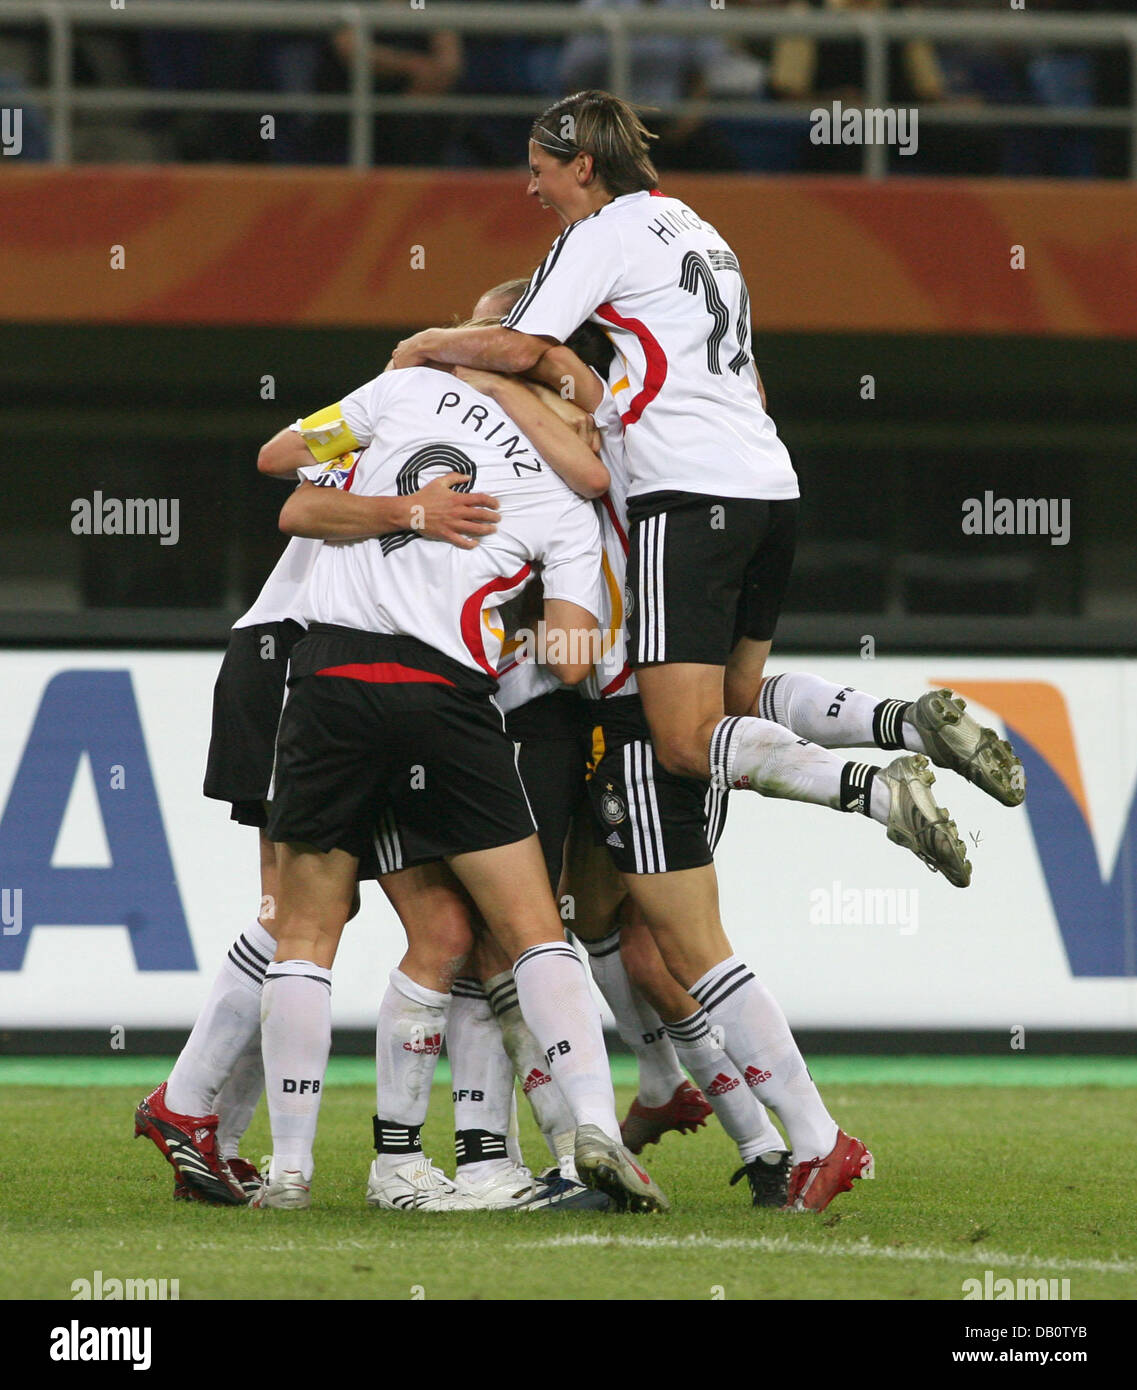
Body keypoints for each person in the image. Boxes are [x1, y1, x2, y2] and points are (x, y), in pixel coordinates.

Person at [249, 352, 668, 1213]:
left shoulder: (402, 391)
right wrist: (519, 610)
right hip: (444, 704)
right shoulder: (565, 506)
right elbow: (569, 654)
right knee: (524, 925)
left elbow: (283, 473)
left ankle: (289, 1171)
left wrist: (402, 510)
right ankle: (588, 1121)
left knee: (306, 930)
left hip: (326, 681)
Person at [133, 447, 498, 1205]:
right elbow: (285, 472)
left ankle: (213, 1133)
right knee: (296, 912)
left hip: (347, 669)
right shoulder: (392, 422)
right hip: (294, 655)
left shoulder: (408, 423)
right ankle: (187, 1104)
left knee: (319, 912)